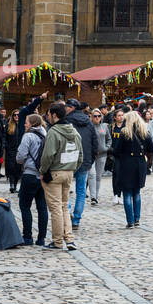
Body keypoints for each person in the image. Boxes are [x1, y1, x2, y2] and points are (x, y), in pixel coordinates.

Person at [39, 102, 83, 250]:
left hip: (54, 173)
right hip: (69, 172)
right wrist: (72, 169)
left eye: (49, 115)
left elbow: (47, 156)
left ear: (55, 115)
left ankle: (57, 241)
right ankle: (69, 239)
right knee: (64, 207)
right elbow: (80, 156)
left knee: (56, 209)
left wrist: (43, 171)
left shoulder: (54, 132)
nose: (48, 117)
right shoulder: (74, 132)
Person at [112, 109, 153, 231]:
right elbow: (151, 148)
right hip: (140, 163)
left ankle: (130, 221)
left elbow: (117, 151)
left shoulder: (125, 132)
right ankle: (137, 219)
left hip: (127, 164)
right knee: (137, 192)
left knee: (127, 193)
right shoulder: (144, 132)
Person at [64, 100, 99, 229]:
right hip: (84, 161)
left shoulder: (66, 121)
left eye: (67, 107)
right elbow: (94, 144)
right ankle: (76, 219)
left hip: (68, 160)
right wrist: (91, 161)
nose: (65, 109)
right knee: (81, 191)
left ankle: (67, 213)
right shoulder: (88, 122)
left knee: (65, 189)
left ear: (72, 108)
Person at [15, 114, 49, 246]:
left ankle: (28, 237)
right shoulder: (46, 134)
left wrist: (21, 160)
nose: (25, 124)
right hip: (43, 176)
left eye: (27, 122)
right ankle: (41, 238)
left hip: (30, 174)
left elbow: (20, 157)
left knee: (24, 206)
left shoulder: (28, 136)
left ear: (32, 123)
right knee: (42, 207)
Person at [89, 107, 110, 204]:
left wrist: (107, 147)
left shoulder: (105, 127)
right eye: (95, 116)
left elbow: (109, 139)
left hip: (102, 155)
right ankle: (93, 197)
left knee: (98, 176)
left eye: (99, 116)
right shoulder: (89, 127)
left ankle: (96, 196)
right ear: (91, 117)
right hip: (91, 156)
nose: (97, 118)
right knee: (92, 175)